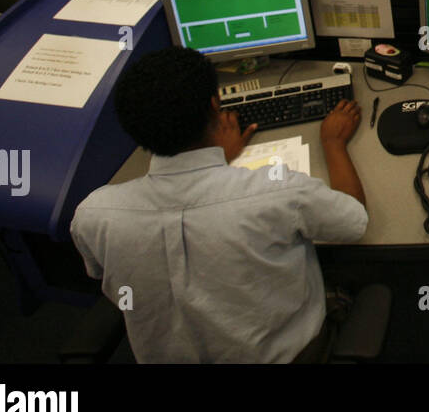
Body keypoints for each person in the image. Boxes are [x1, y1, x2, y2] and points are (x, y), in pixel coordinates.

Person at [70, 47, 370, 363]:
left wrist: (215, 157)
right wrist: (333, 143)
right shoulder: (278, 192)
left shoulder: (94, 215)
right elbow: (354, 221)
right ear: (215, 104)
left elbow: (105, 277)